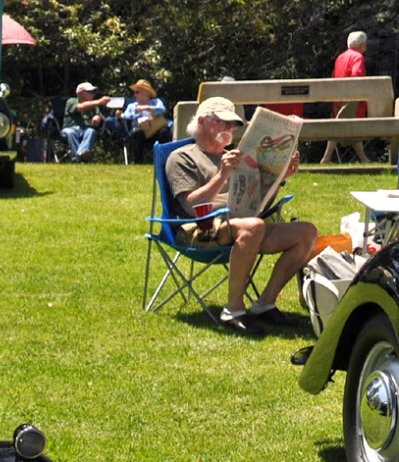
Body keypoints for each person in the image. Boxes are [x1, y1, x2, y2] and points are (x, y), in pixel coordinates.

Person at [164, 96, 319, 336]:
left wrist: (282, 176)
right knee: (254, 227)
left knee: (306, 232)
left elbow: (257, 199)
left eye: (233, 125)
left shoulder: (238, 156)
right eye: (223, 123)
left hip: (244, 223)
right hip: (199, 228)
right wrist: (223, 174)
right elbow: (190, 206)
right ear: (203, 122)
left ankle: (264, 304)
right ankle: (233, 310)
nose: (229, 129)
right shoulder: (183, 157)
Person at [319, 29, 370, 164]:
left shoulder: (340, 57)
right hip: (350, 97)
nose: (366, 46)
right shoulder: (357, 57)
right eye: (365, 44)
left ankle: (363, 159)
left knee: (348, 126)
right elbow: (357, 75)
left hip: (338, 97)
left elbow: (334, 74)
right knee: (342, 126)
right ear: (361, 45)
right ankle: (326, 158)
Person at [115, 78, 170, 163]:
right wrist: (120, 115)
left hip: (155, 130)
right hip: (141, 131)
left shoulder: (156, 102)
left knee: (165, 131)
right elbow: (126, 117)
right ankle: (138, 161)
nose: (135, 95)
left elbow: (162, 110)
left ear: (146, 93)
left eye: (137, 92)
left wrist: (147, 108)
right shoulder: (132, 106)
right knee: (137, 133)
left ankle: (164, 161)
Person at [62, 81, 111, 160]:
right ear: (80, 93)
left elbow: (98, 115)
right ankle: (79, 157)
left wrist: (97, 118)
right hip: (70, 128)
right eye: (90, 92)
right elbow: (79, 107)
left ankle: (79, 155)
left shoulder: (94, 106)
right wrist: (98, 102)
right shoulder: (71, 101)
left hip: (85, 129)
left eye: (94, 92)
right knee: (70, 132)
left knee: (91, 131)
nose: (93, 94)